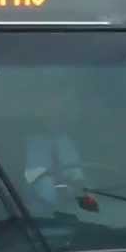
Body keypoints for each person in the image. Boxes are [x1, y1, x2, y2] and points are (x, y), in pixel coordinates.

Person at [20, 89, 92, 219]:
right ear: (37, 112)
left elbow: (76, 174)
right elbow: (36, 181)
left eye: (61, 113)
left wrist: (79, 185)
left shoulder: (66, 141)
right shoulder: (23, 144)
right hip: (31, 220)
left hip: (73, 217)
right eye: (50, 112)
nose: (56, 116)